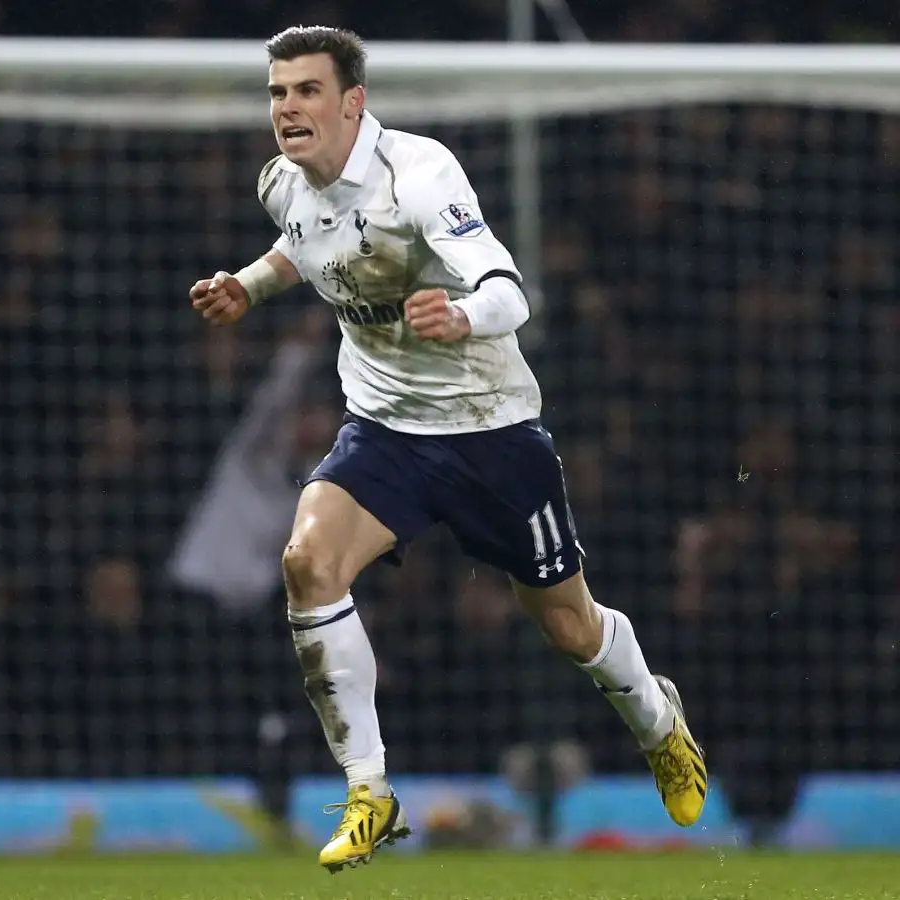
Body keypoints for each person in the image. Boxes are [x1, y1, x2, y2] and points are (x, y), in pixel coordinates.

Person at [188, 26, 706, 873]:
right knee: (308, 564)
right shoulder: (281, 184)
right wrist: (245, 287)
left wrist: (462, 315)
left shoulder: (421, 176)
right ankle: (369, 792)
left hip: (490, 430)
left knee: (570, 629)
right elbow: (305, 244)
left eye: (307, 90)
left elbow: (510, 291)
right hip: (385, 430)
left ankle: (657, 720)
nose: (287, 108)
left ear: (352, 101)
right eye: (278, 92)